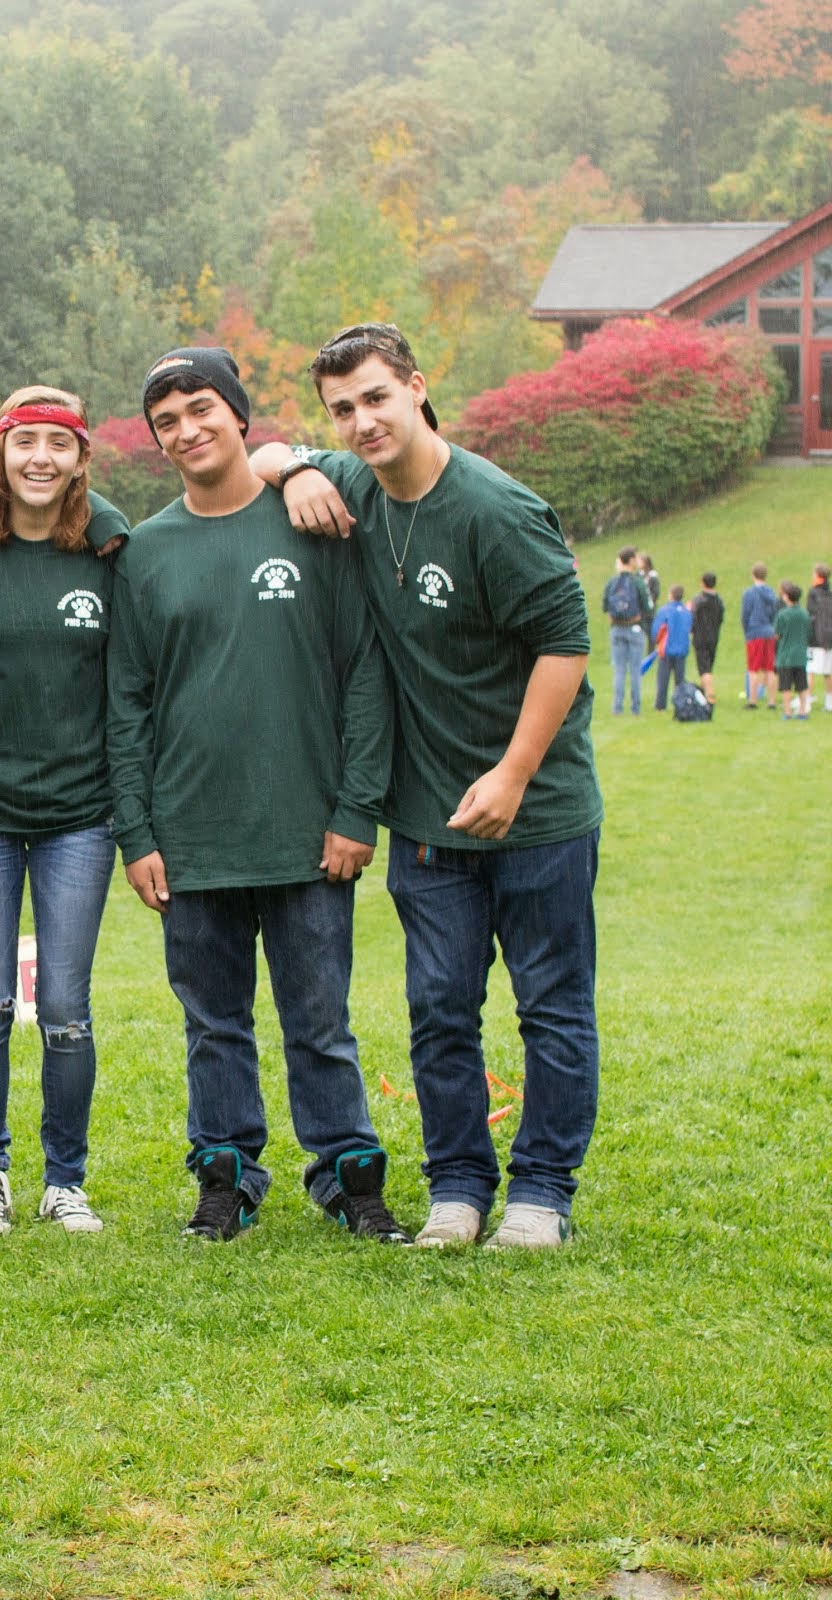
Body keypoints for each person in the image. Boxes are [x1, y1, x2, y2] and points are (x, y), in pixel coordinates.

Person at [260, 321, 601, 1250]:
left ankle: (541, 1196)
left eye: (377, 397)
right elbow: (266, 452)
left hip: (538, 811)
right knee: (440, 1007)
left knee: (551, 1006)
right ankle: (457, 1188)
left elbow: (565, 647)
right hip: (425, 820)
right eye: (343, 409)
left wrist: (513, 773)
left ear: (416, 387)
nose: (363, 421)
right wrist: (294, 469)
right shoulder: (355, 483)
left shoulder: (496, 509)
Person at [108, 347, 404, 1246]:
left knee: (322, 1022)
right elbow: (126, 703)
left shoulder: (313, 523)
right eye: (168, 422)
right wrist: (137, 832)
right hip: (190, 838)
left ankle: (348, 1176)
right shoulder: (148, 552)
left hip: (309, 834)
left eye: (203, 409)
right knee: (213, 1026)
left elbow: (365, 677)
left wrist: (357, 810)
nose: (188, 429)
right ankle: (226, 1177)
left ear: (242, 418)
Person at [0, 386, 129, 1236]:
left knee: (67, 1008)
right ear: (0, 456)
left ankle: (65, 1179)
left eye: (59, 443)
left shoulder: (112, 551)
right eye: (24, 443)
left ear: (81, 459)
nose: (40, 457)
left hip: (80, 814)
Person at [602, 547, 646, 716]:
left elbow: (605, 606)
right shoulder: (637, 582)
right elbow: (647, 606)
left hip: (616, 629)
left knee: (619, 670)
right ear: (632, 560)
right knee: (635, 670)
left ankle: (617, 708)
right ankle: (635, 708)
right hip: (635, 628)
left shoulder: (612, 583)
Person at [741, 563, 778, 710]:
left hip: (755, 632)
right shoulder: (771, 593)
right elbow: (774, 612)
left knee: (753, 668)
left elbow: (745, 614)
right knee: (769, 668)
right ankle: (772, 701)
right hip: (769, 631)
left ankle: (753, 700)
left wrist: (747, 630)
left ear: (753, 575)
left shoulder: (749, 593)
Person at [773, 580, 811, 720]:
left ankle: (788, 711)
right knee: (801, 685)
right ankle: (803, 710)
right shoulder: (804, 613)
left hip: (786, 655)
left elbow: (776, 635)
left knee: (786, 686)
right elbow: (808, 631)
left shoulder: (782, 614)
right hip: (801, 655)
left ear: (787, 597)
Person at [652, 584, 692, 713]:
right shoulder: (687, 612)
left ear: (671, 595)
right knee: (680, 680)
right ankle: (680, 704)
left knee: (663, 679)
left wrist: (656, 641)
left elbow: (657, 629)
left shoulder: (664, 610)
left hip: (667, 649)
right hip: (682, 649)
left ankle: (660, 706)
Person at [690, 573, 725, 705]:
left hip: (700, 637)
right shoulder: (718, 601)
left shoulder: (698, 601)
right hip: (714, 637)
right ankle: (704, 694)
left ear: (702, 583)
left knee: (704, 669)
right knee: (709, 665)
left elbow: (693, 618)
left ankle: (710, 697)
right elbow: (721, 619)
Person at [805, 563, 832, 714]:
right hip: (830, 639)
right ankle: (830, 703)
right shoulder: (830, 594)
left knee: (810, 671)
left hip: (816, 639)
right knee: (828, 672)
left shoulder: (813, 594)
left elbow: (810, 616)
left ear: (818, 577)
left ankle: (806, 702)